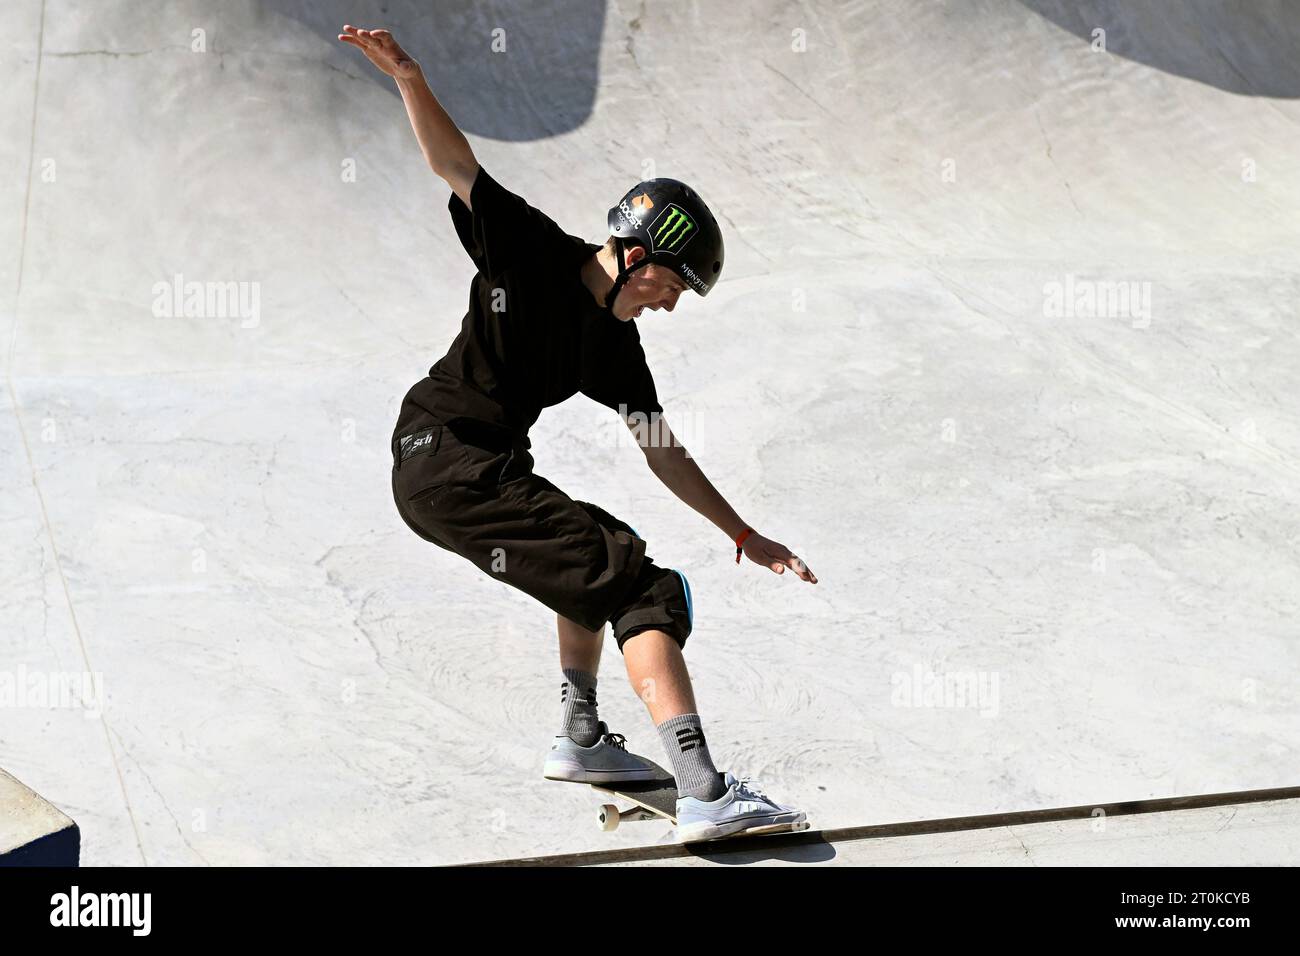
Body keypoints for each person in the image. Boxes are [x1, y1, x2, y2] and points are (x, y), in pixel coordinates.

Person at [341, 25, 818, 841]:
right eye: (673, 282)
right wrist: (411, 77)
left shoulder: (614, 342)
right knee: (642, 589)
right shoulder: (530, 251)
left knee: (598, 554)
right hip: (447, 458)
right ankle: (703, 791)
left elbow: (660, 445)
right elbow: (457, 167)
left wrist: (742, 531)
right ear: (635, 253)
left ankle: (583, 736)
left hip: (461, 467)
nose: (671, 303)